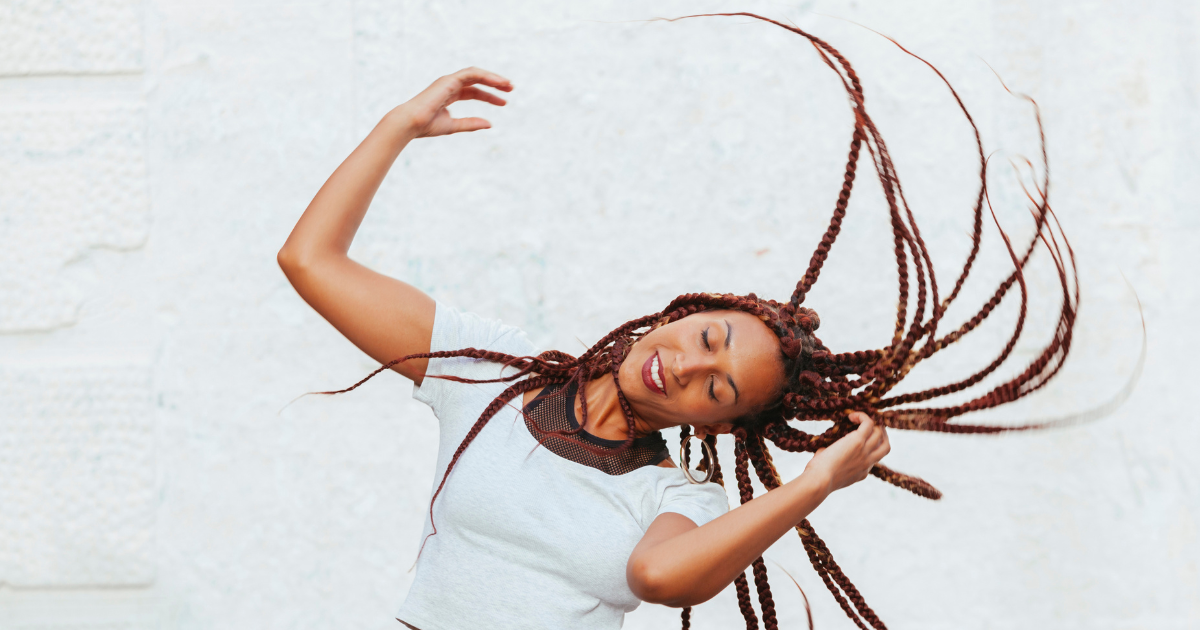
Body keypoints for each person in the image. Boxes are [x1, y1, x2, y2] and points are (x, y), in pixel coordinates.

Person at [278, 14, 1075, 630]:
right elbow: (311, 261)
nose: (690, 367)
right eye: (709, 340)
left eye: (719, 389)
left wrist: (818, 484)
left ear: (720, 425)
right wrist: (396, 129)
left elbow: (659, 581)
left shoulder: (679, 497)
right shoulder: (495, 375)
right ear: (686, 315)